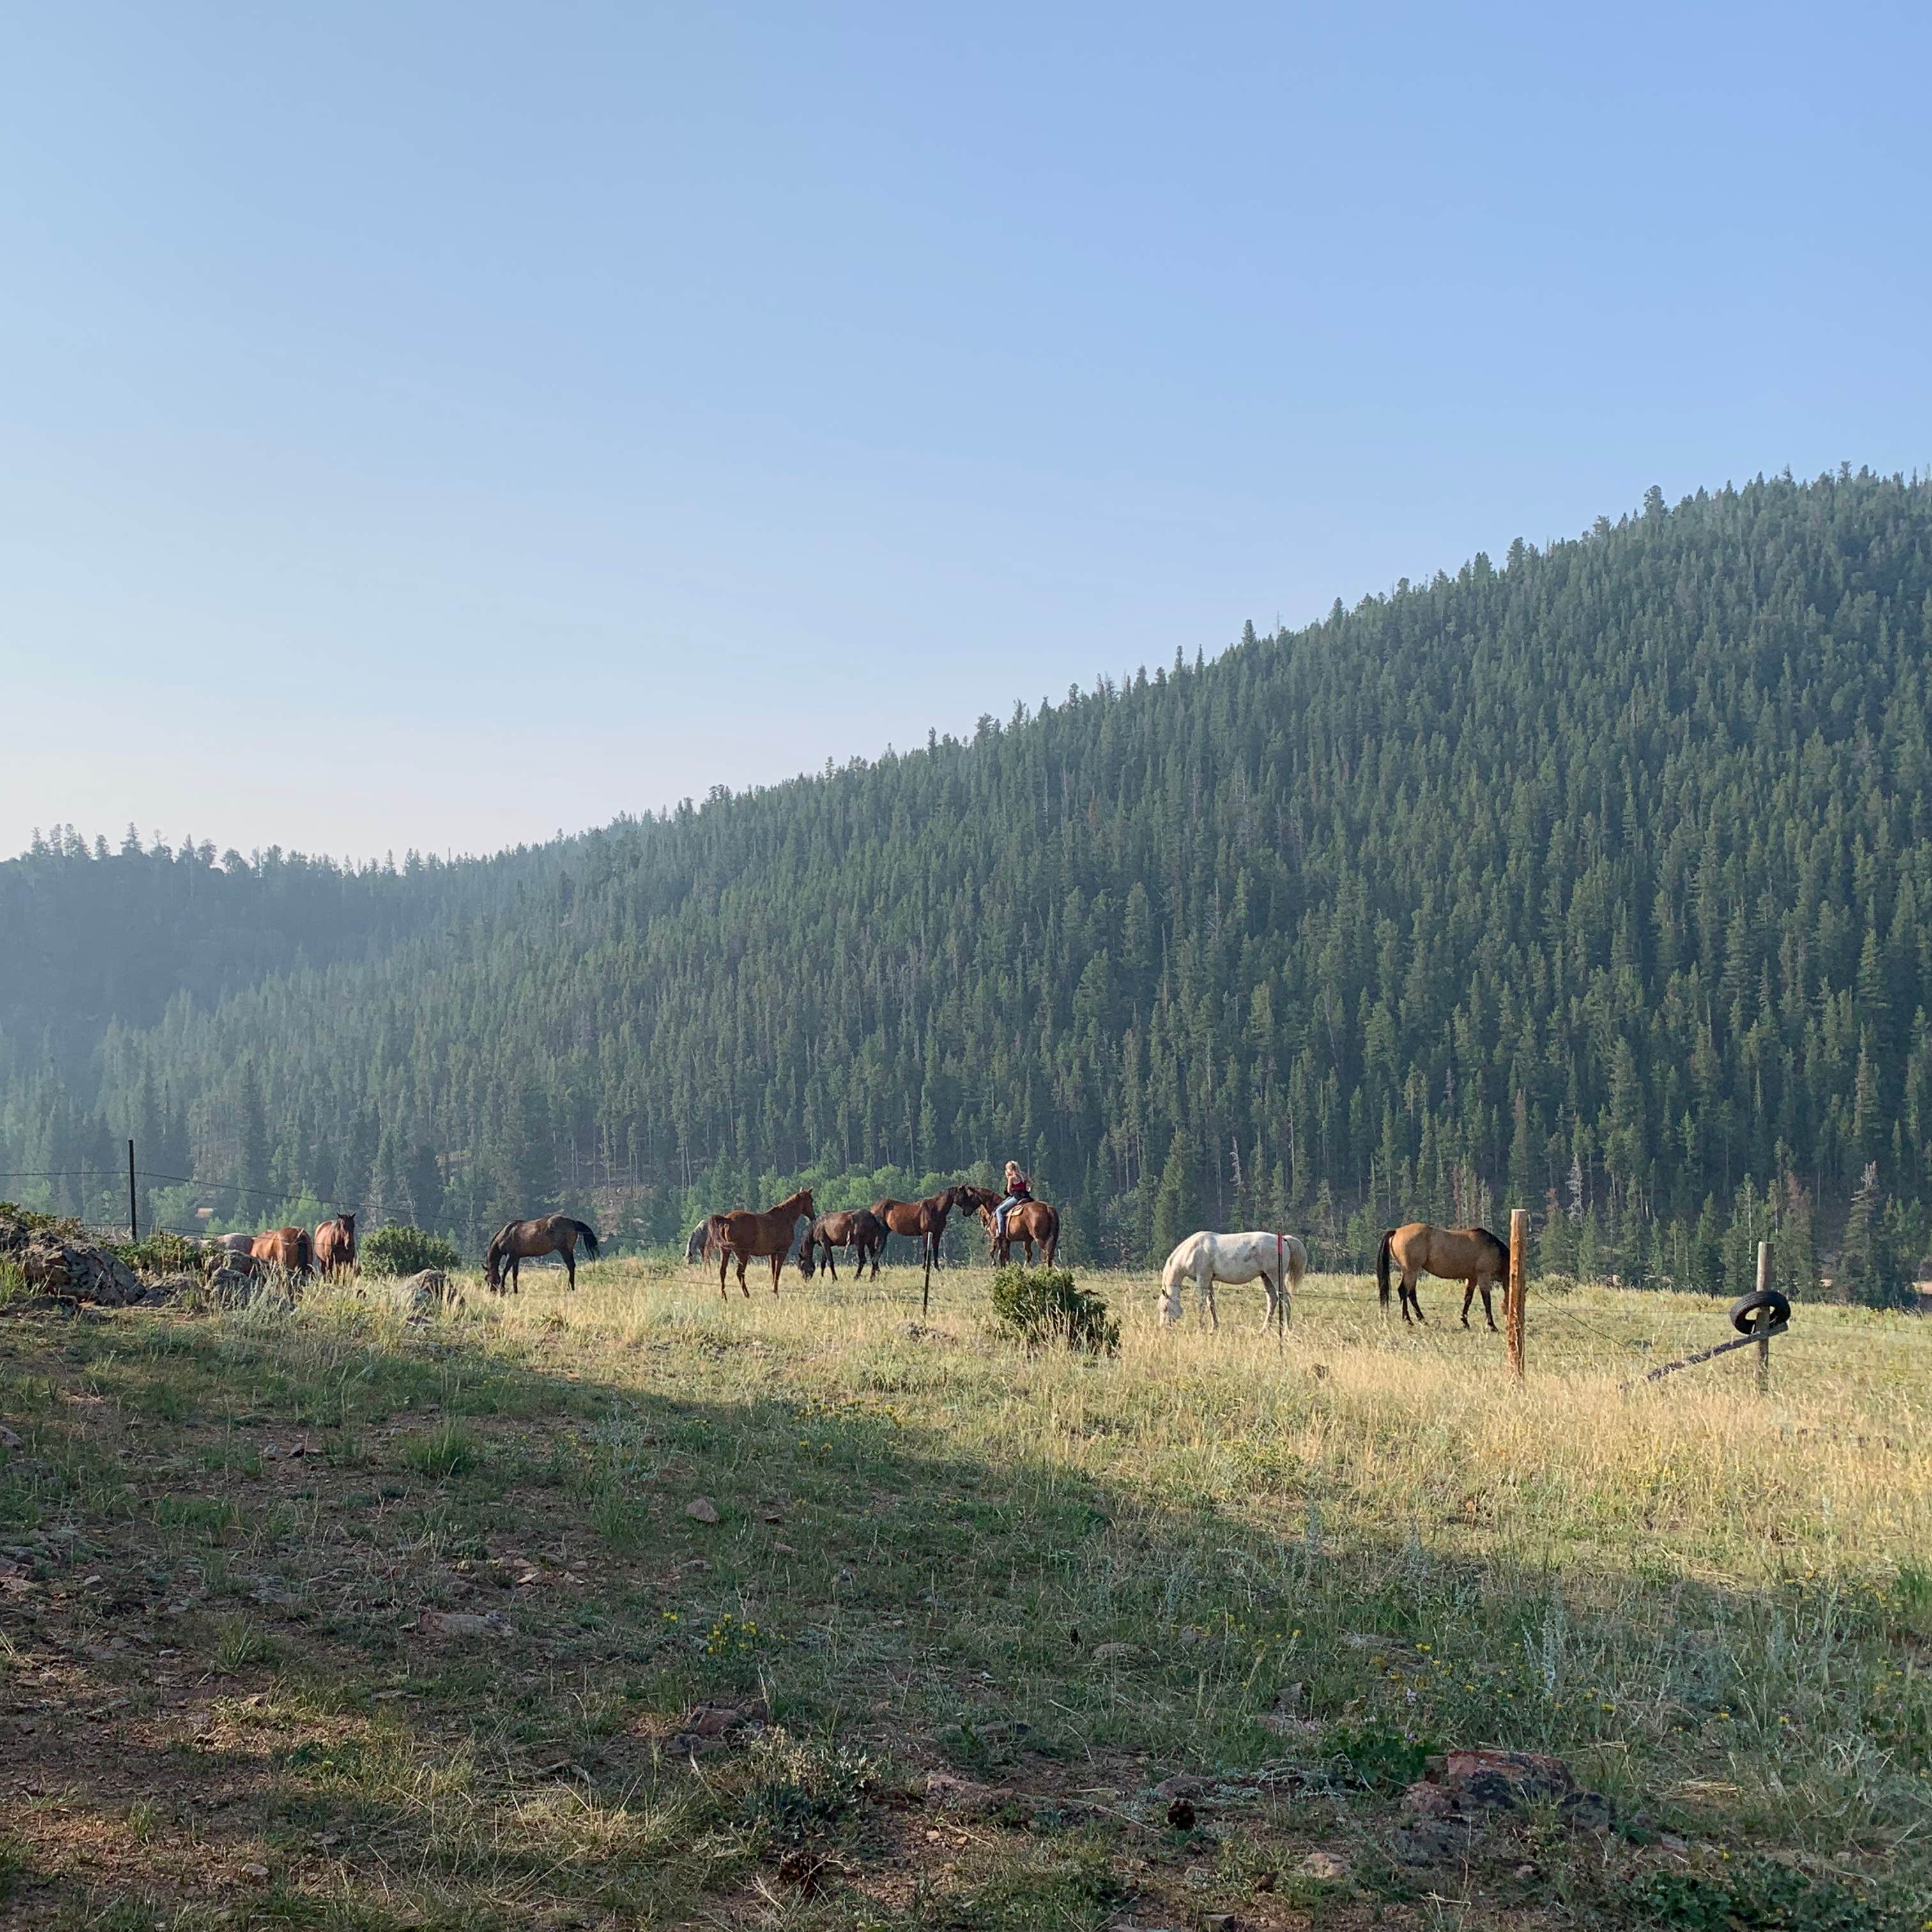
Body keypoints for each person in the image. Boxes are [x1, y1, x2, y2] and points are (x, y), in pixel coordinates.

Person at [993, 1160, 1032, 1248]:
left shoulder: (1012, 1178)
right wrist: (1028, 1189)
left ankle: (1001, 1231)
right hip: (1026, 1196)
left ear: (1010, 1169)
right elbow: (1032, 1184)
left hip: (1017, 1197)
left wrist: (1012, 1193)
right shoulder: (1024, 1175)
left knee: (999, 1211)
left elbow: (1009, 1190)